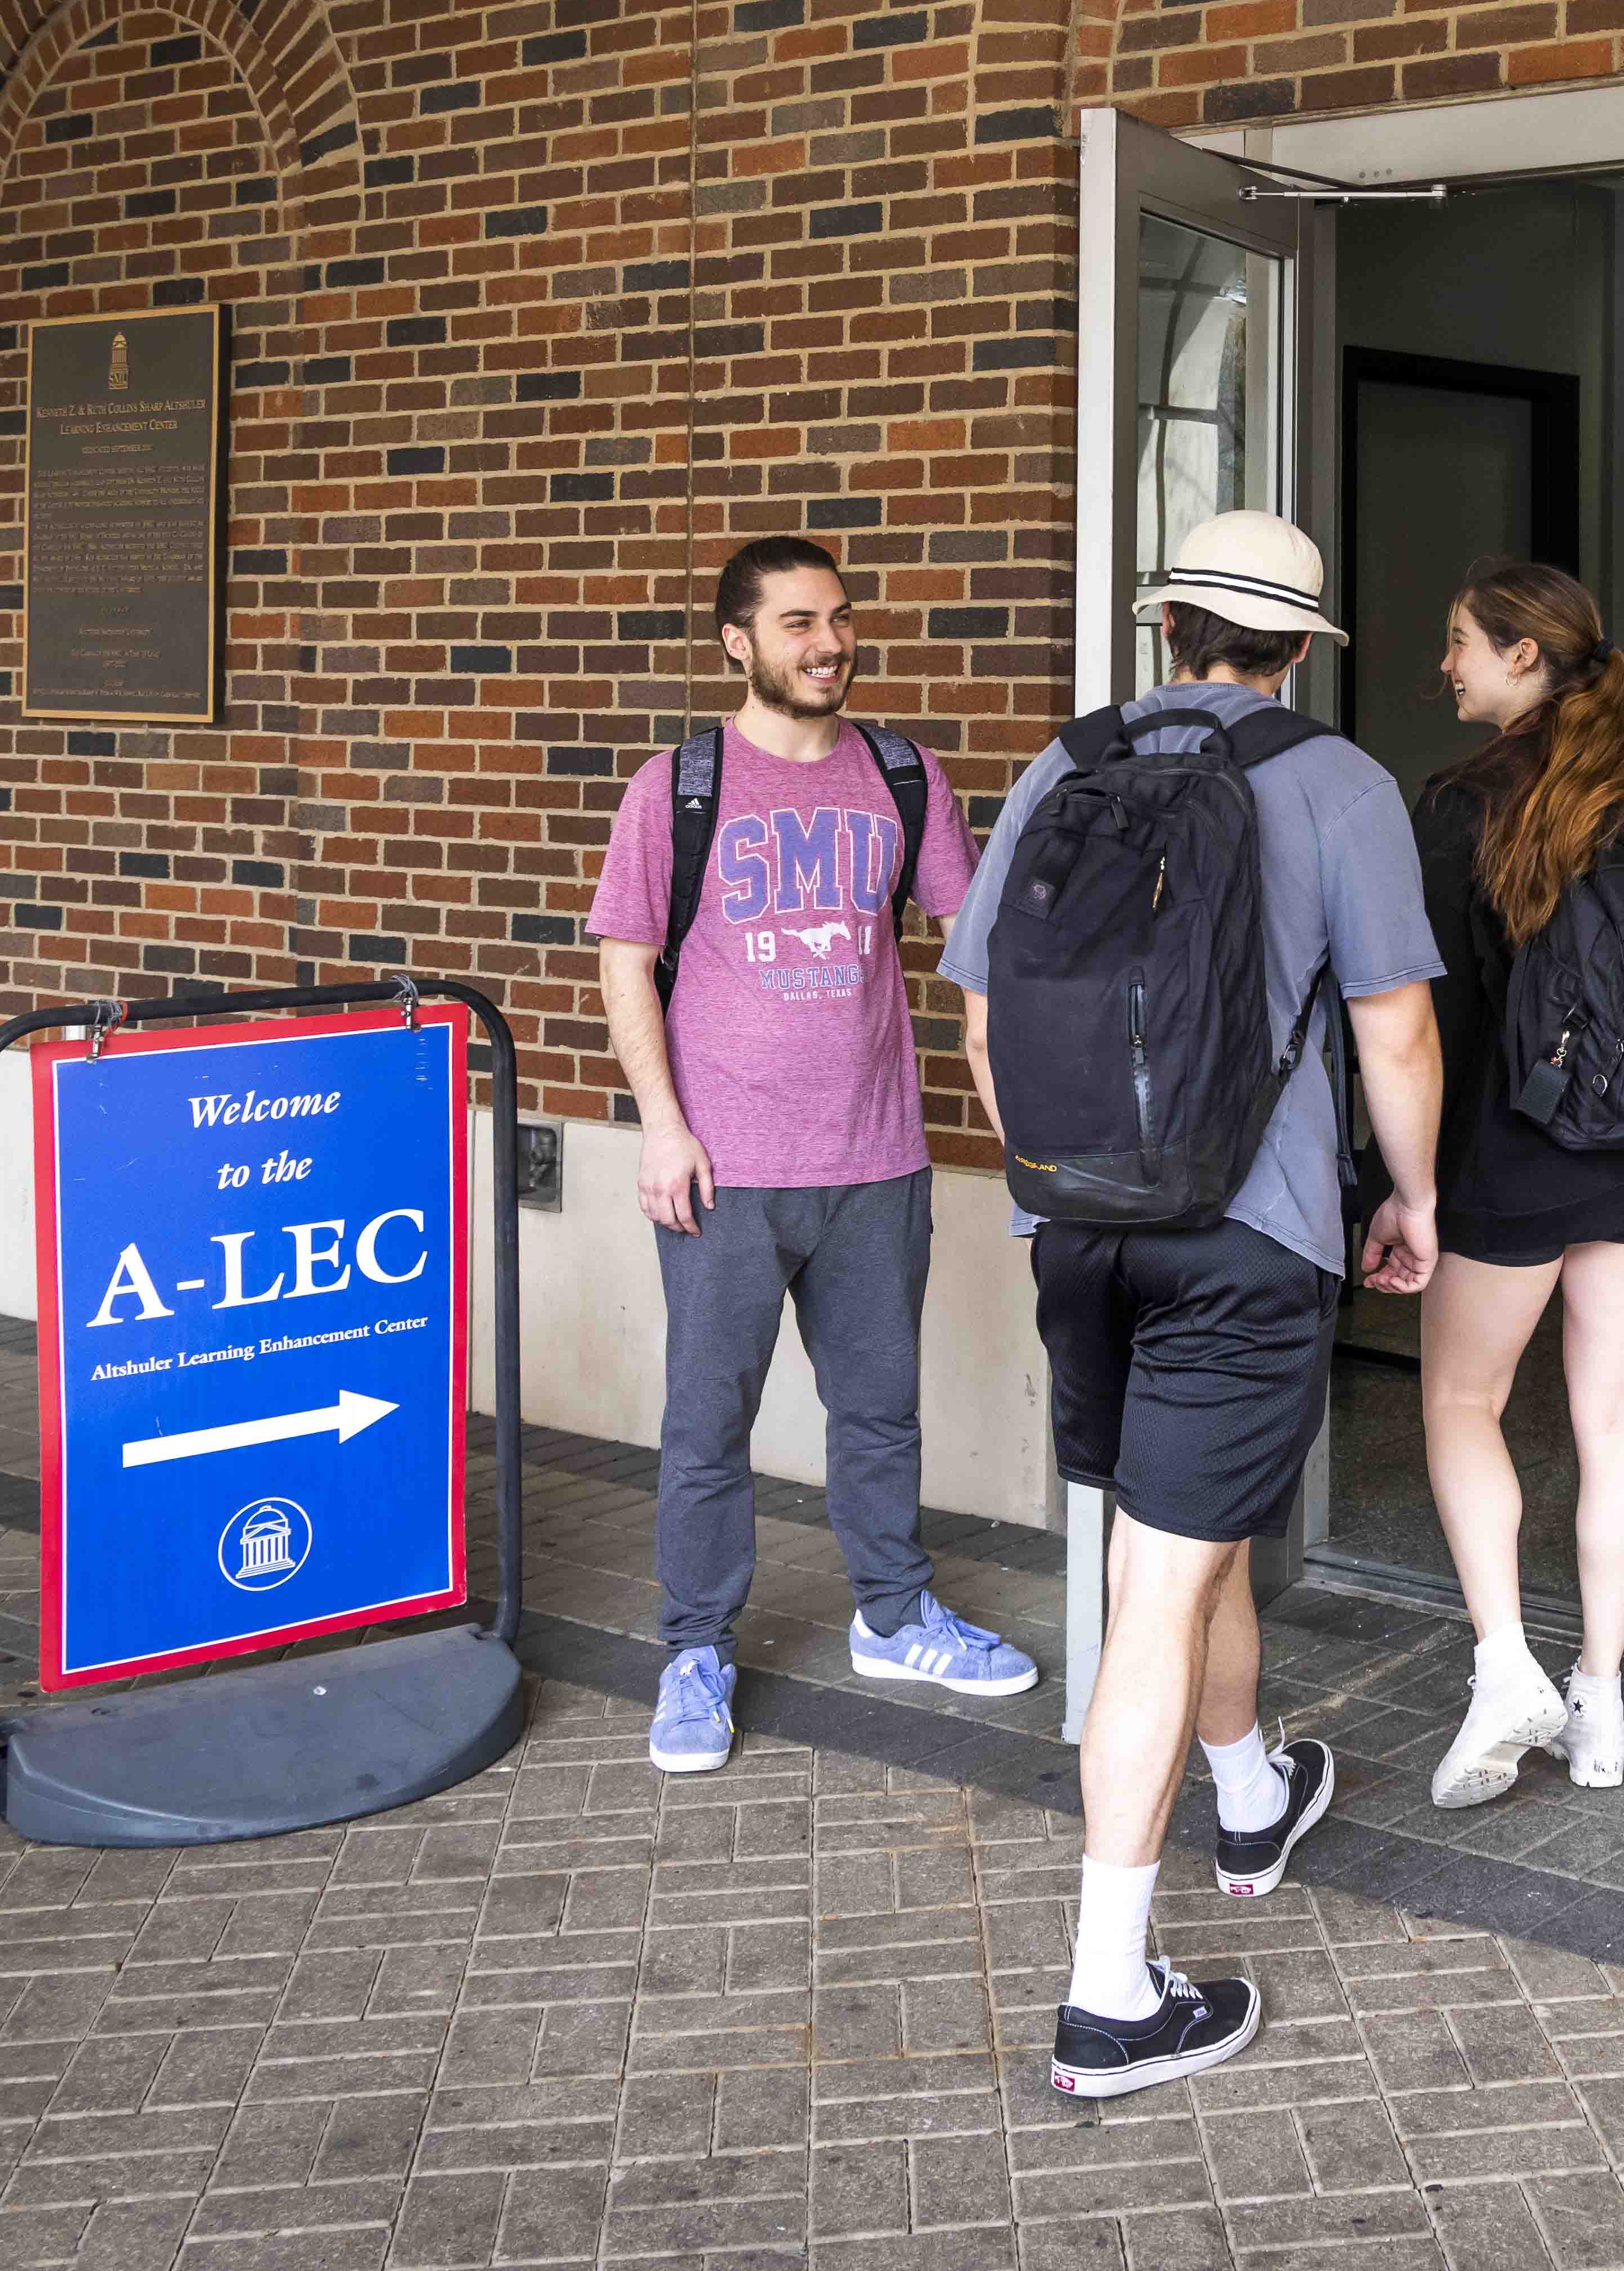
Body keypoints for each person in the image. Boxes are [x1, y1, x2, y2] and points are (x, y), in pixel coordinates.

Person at [946, 508, 1445, 2101]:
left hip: (1078, 1225)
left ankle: (1248, 1790)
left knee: (1172, 1535)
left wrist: (1057, 1181)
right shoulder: (1339, 785)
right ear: (1300, 648)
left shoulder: (1062, 765)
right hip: (1250, 1235)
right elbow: (1398, 1035)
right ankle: (1108, 1995)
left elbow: (980, 1014)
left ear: (1165, 629)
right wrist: (1412, 1199)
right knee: (1159, 1590)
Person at [588, 535, 1040, 1779]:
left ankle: (894, 1615)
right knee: (706, 1424)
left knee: (879, 1415)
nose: (829, 643)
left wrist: (1018, 1121)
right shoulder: (676, 788)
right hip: (725, 1168)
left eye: (837, 618)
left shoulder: (902, 776)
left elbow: (976, 955)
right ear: (737, 642)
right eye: (797, 624)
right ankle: (694, 1650)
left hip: (878, 1161)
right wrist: (663, 1127)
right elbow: (626, 959)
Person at [1409, 558, 1624, 1808]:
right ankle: (1601, 1703)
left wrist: (1406, 1182)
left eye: (1459, 642)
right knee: (1613, 1421)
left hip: (1520, 1153)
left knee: (1461, 1401)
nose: (1444, 666)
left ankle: (1506, 1666)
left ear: (1523, 657)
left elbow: (1431, 1018)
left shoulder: (1461, 804)